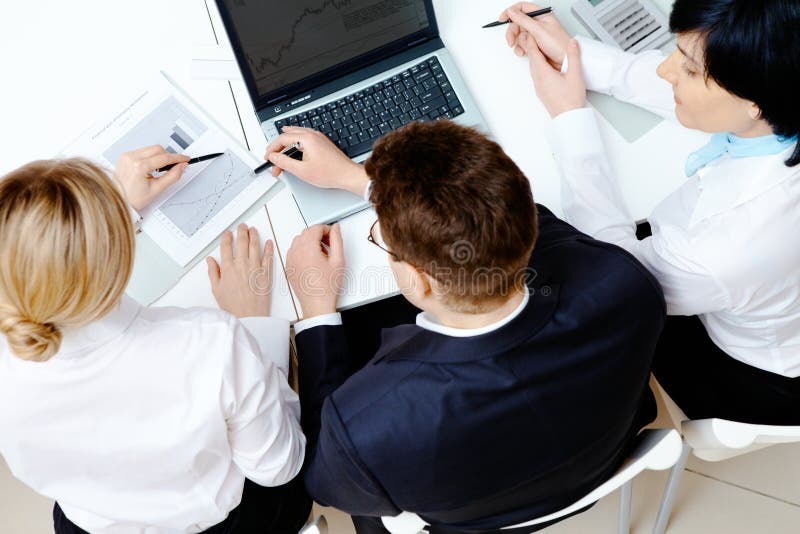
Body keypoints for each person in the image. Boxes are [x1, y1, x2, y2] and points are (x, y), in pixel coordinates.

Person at [264, 120, 665, 533]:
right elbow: (522, 216)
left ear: (419, 279)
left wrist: (317, 310)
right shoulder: (625, 284)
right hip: (590, 460)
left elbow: (320, 478)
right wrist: (360, 180)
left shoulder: (366, 430)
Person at [500, 0, 800, 425]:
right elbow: (705, 80)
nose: (665, 70)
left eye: (690, 69)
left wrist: (569, 118)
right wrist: (573, 53)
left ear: (756, 100)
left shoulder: (730, 243)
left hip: (754, 376)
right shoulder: (779, 95)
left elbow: (614, 273)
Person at [0, 147, 310, 533]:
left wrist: (106, 215)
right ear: (122, 255)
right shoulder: (211, 344)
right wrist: (252, 326)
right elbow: (278, 468)